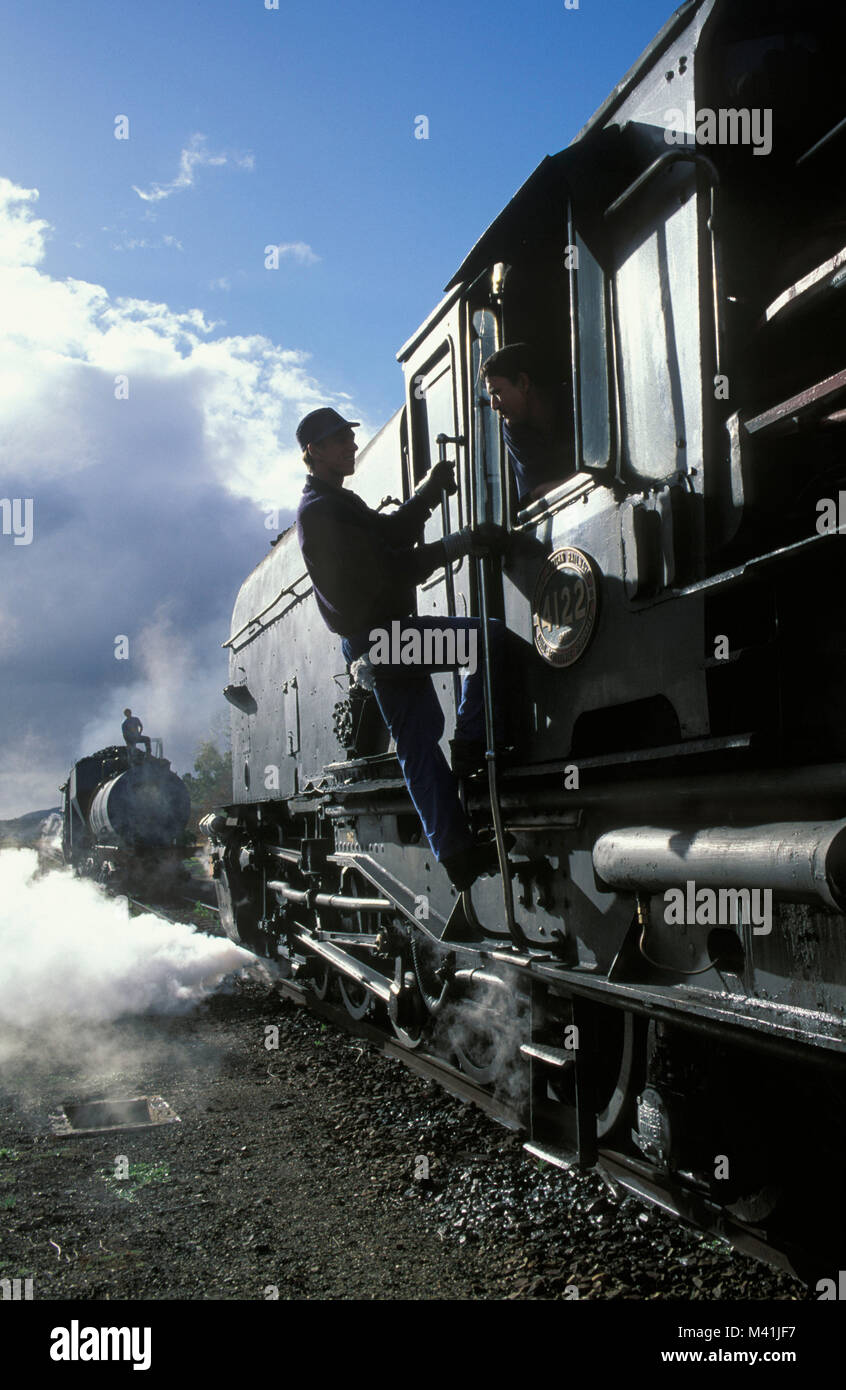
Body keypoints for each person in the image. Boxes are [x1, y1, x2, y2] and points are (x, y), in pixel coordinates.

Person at [295, 406, 510, 891]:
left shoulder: (336, 503)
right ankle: (473, 745)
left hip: (379, 643)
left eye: (350, 437)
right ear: (314, 452)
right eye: (339, 441)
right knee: (487, 639)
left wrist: (428, 494)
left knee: (416, 745)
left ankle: (457, 854)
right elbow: (389, 568)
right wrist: (462, 542)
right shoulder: (321, 511)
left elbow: (389, 535)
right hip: (388, 640)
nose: (351, 446)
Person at [482, 343, 573, 508]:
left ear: (523, 383)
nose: (493, 405)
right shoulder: (512, 429)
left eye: (496, 392)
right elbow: (540, 492)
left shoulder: (575, 401)